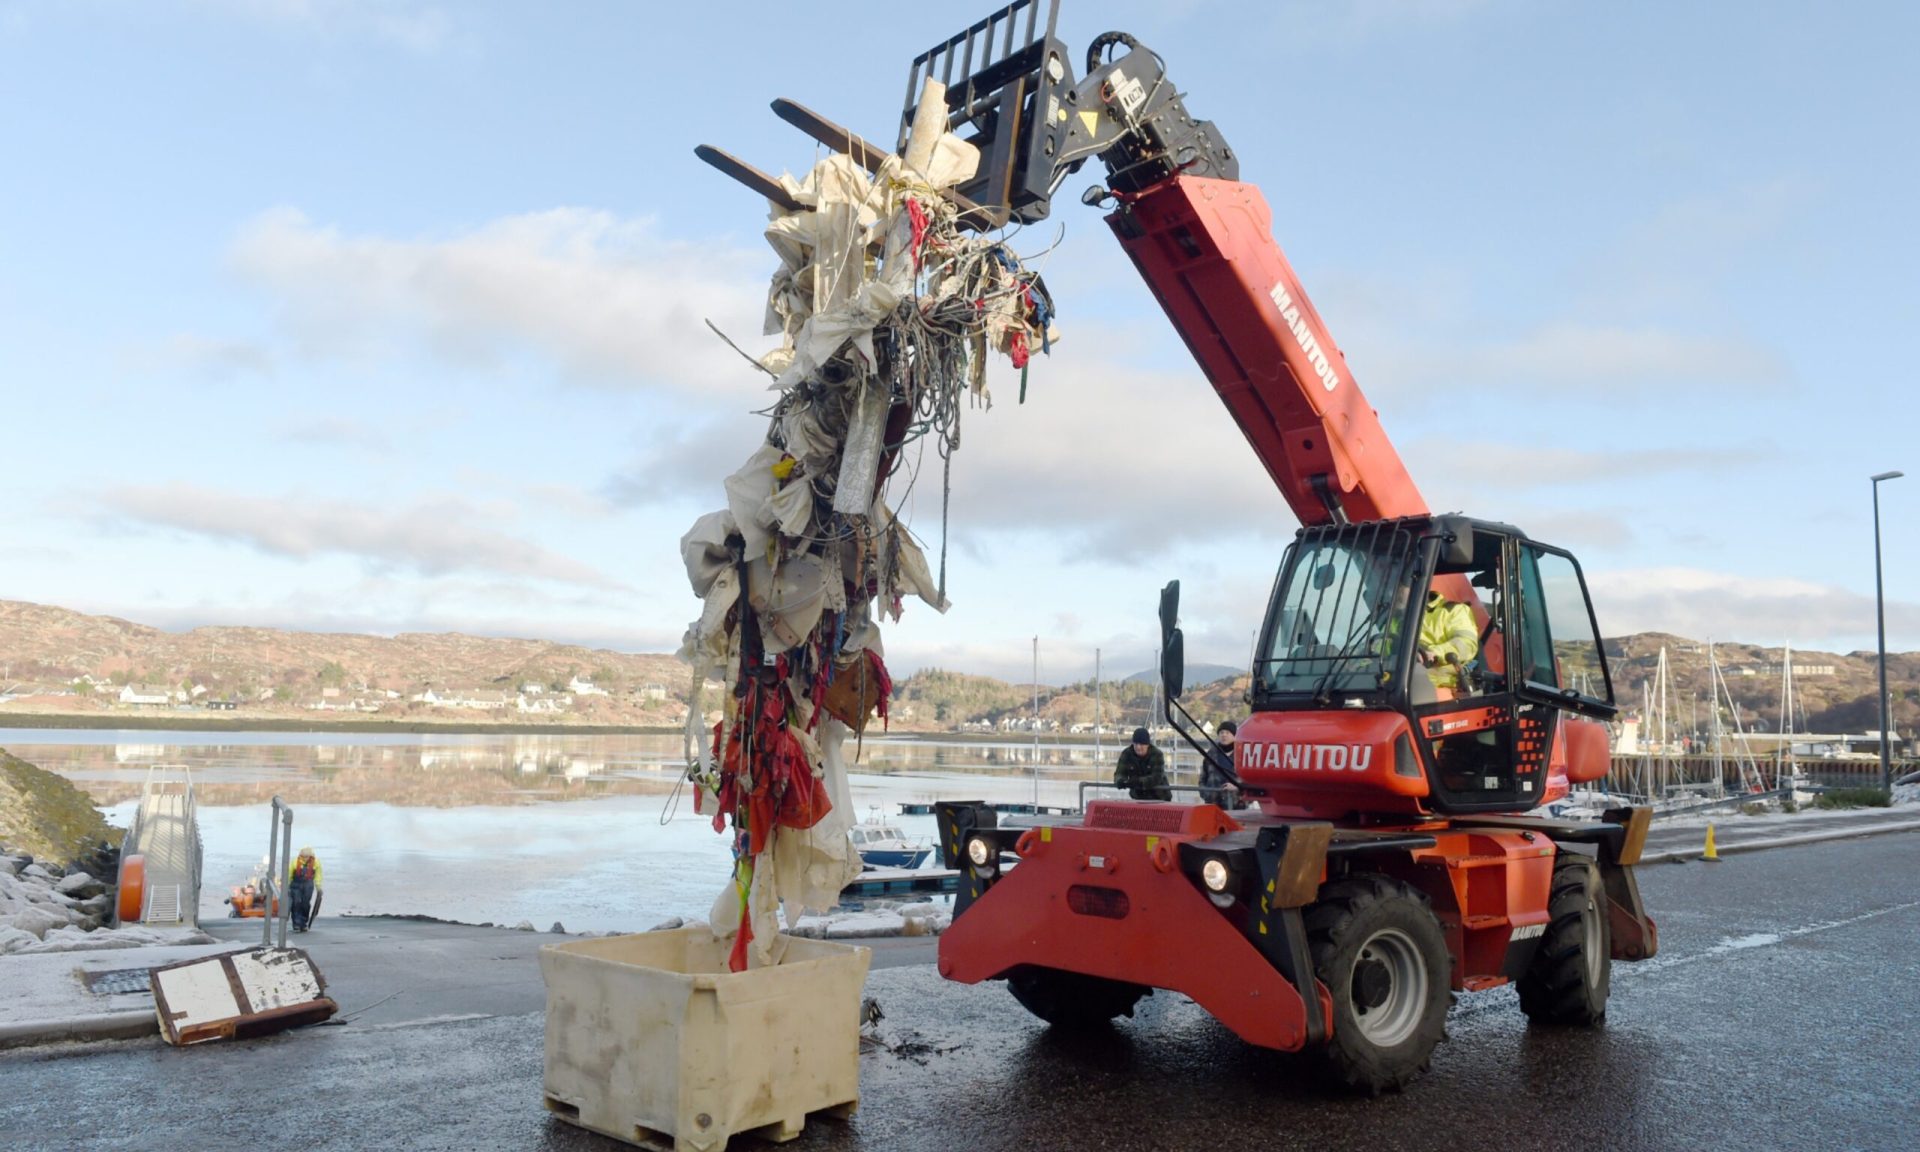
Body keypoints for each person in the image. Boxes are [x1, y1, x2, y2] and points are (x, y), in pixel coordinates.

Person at [1418, 589, 1480, 693]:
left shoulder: (1454, 610)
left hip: (1444, 688)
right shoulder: (1398, 616)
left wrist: (1434, 653)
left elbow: (1467, 643)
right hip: (1403, 684)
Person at [1114, 727, 1173, 800]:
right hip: (1138, 798)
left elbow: (1157, 777)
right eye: (1135, 744)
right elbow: (1119, 773)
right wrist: (1120, 781)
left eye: (1142, 744)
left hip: (1160, 798)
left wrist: (1138, 782)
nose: (1138, 747)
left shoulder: (1157, 754)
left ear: (1147, 745)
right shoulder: (1126, 754)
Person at [1199, 721, 1243, 808]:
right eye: (1221, 732)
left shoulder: (1242, 754)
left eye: (1227, 732)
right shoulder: (1211, 754)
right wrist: (1206, 793)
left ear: (1235, 735)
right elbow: (1202, 777)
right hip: (1212, 803)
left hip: (1236, 805)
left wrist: (1237, 786)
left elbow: (1249, 780)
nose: (1224, 735)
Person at [288, 846, 323, 933]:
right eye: (303, 856)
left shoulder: (316, 863)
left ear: (310, 856)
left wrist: (318, 886)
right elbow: (289, 874)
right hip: (295, 884)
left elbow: (318, 875)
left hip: (308, 885)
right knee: (296, 903)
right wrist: (286, 885)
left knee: (305, 904)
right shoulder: (294, 862)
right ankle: (296, 924)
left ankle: (303, 923)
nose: (305, 858)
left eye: (307, 856)